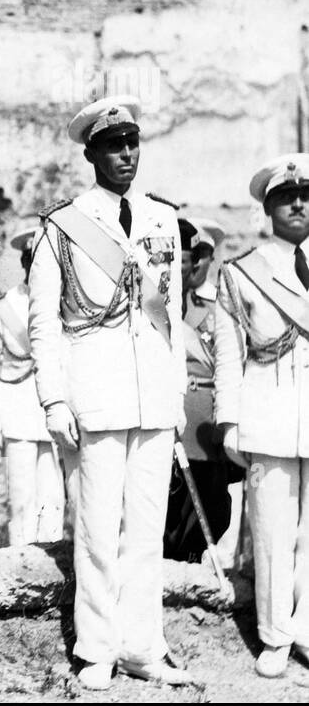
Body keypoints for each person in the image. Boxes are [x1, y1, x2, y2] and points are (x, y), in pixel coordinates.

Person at [28, 95, 191, 690]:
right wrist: (53, 399)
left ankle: (143, 646)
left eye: (133, 143)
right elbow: (45, 320)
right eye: (114, 145)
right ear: (91, 153)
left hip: (151, 396)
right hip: (93, 391)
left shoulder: (161, 218)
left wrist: (174, 400)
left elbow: (168, 315)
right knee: (97, 529)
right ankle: (97, 648)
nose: (126, 154)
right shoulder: (63, 225)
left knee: (146, 532)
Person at [213, 154, 309, 677]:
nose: (298, 203)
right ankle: (275, 636)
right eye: (285, 197)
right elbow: (229, 355)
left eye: (306, 195)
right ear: (267, 208)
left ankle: (307, 627)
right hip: (269, 415)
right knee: (270, 531)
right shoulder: (243, 272)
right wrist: (229, 420)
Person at [0, 227, 71, 545]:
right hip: (16, 411)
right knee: (20, 497)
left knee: (53, 495)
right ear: (25, 262)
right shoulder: (2, 307)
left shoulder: (66, 304)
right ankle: (20, 560)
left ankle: (51, 564)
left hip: (53, 413)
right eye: (33, 261)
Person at [163, 218, 234, 563]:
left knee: (216, 509)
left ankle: (188, 563)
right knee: (170, 511)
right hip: (172, 418)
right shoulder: (158, 306)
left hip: (204, 423)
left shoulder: (209, 307)